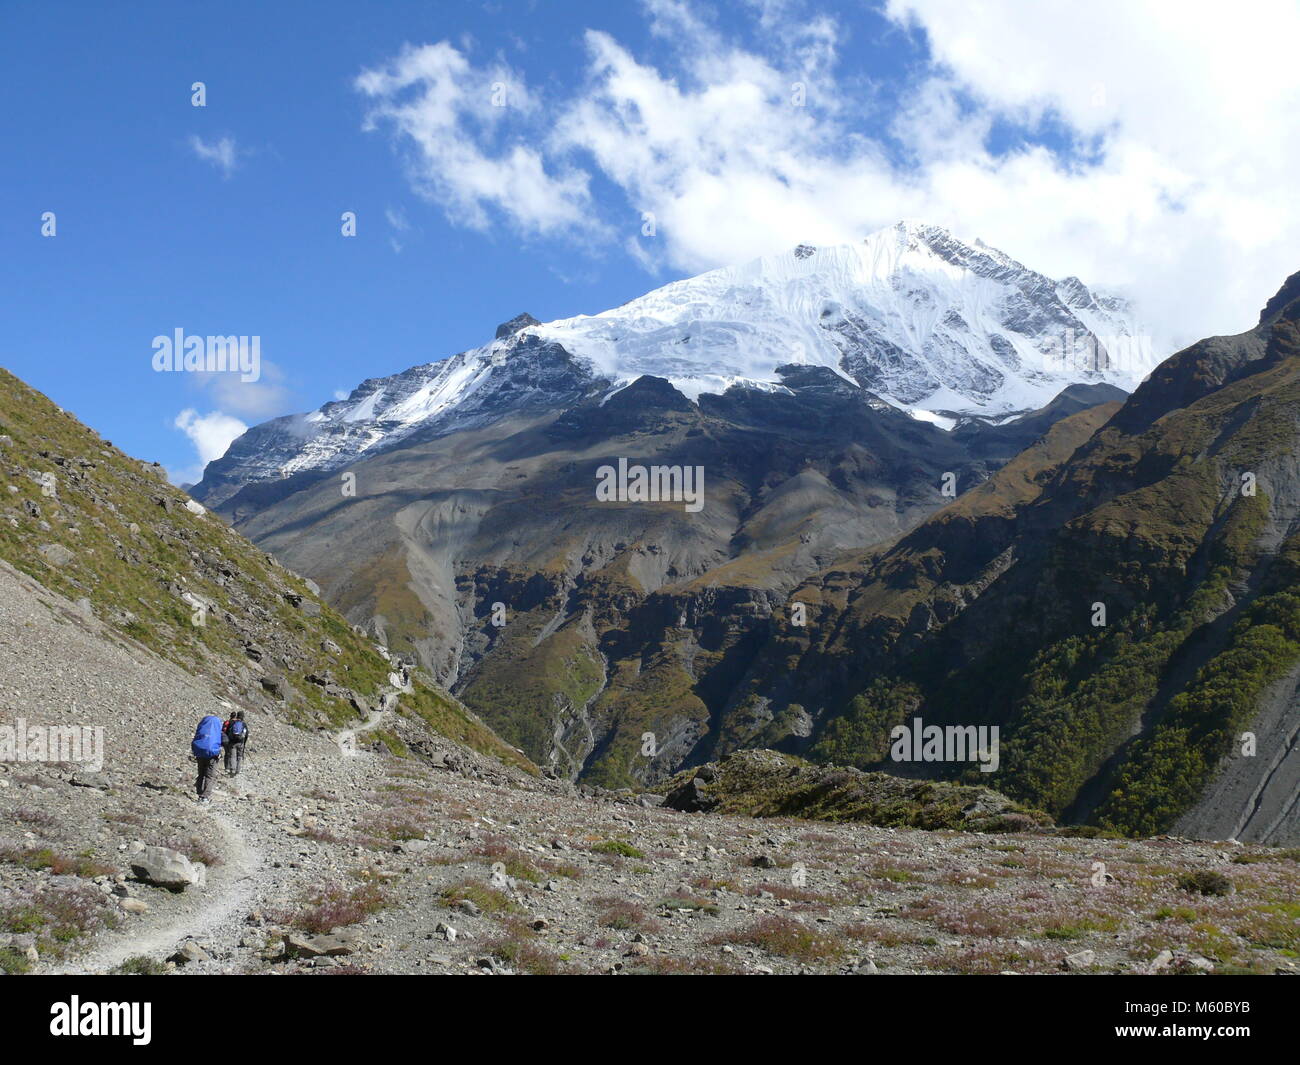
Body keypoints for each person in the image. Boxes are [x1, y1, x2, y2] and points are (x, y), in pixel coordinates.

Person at [191, 714, 224, 804]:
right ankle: (205, 797)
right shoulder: (217, 730)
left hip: (200, 753)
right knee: (210, 775)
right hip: (212, 755)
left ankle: (199, 793)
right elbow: (225, 740)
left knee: (201, 774)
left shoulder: (202, 727)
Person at [222, 710, 249, 776]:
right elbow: (246, 734)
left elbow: (227, 732)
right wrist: (244, 743)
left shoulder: (232, 723)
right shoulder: (243, 724)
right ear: (243, 717)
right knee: (239, 756)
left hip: (232, 742)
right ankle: (238, 770)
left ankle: (232, 769)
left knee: (232, 756)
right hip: (240, 742)